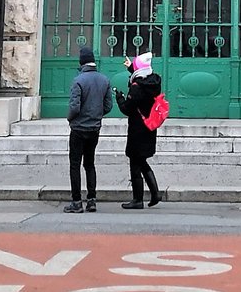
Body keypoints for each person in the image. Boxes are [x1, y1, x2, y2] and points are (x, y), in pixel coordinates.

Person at [62, 44, 112, 214]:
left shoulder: (78, 81)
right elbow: (108, 106)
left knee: (75, 165)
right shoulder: (104, 80)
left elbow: (74, 107)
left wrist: (70, 118)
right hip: (94, 129)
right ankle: (92, 200)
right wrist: (96, 114)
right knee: (90, 164)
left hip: (78, 129)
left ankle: (76, 202)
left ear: (81, 62)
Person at [115, 52, 164, 209]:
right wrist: (132, 68)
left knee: (135, 163)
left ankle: (137, 200)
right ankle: (155, 193)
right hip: (148, 127)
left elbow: (127, 109)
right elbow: (141, 78)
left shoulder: (136, 89)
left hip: (137, 130)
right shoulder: (152, 82)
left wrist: (120, 98)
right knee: (141, 160)